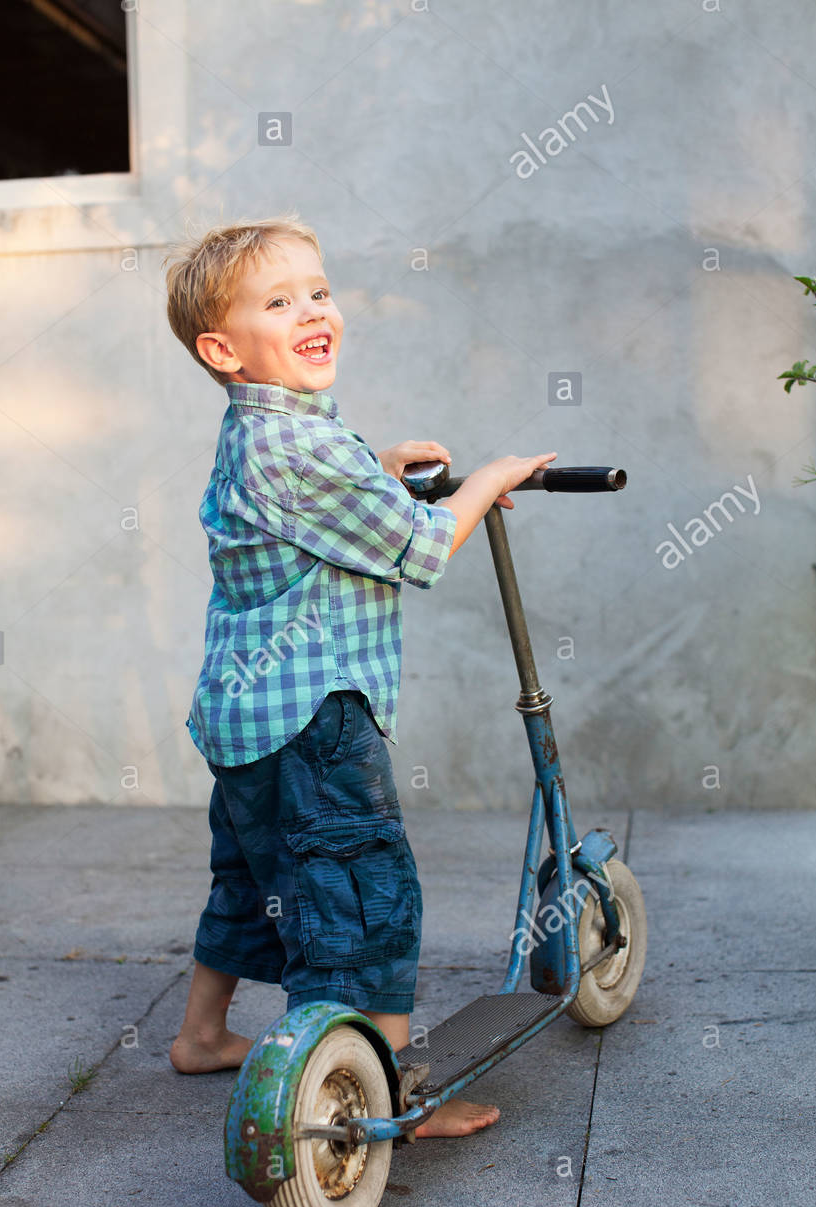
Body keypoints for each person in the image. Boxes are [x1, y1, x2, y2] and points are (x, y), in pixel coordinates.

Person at [163, 213, 555, 1136]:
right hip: (316, 717)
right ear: (224, 347)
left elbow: (297, 514)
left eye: (319, 291)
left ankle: (202, 1034)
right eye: (279, 300)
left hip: (246, 718)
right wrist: (486, 483)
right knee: (363, 890)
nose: (314, 310)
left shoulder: (265, 431)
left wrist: (375, 468)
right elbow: (418, 548)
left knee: (253, 875)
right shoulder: (297, 446)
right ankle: (388, 1097)